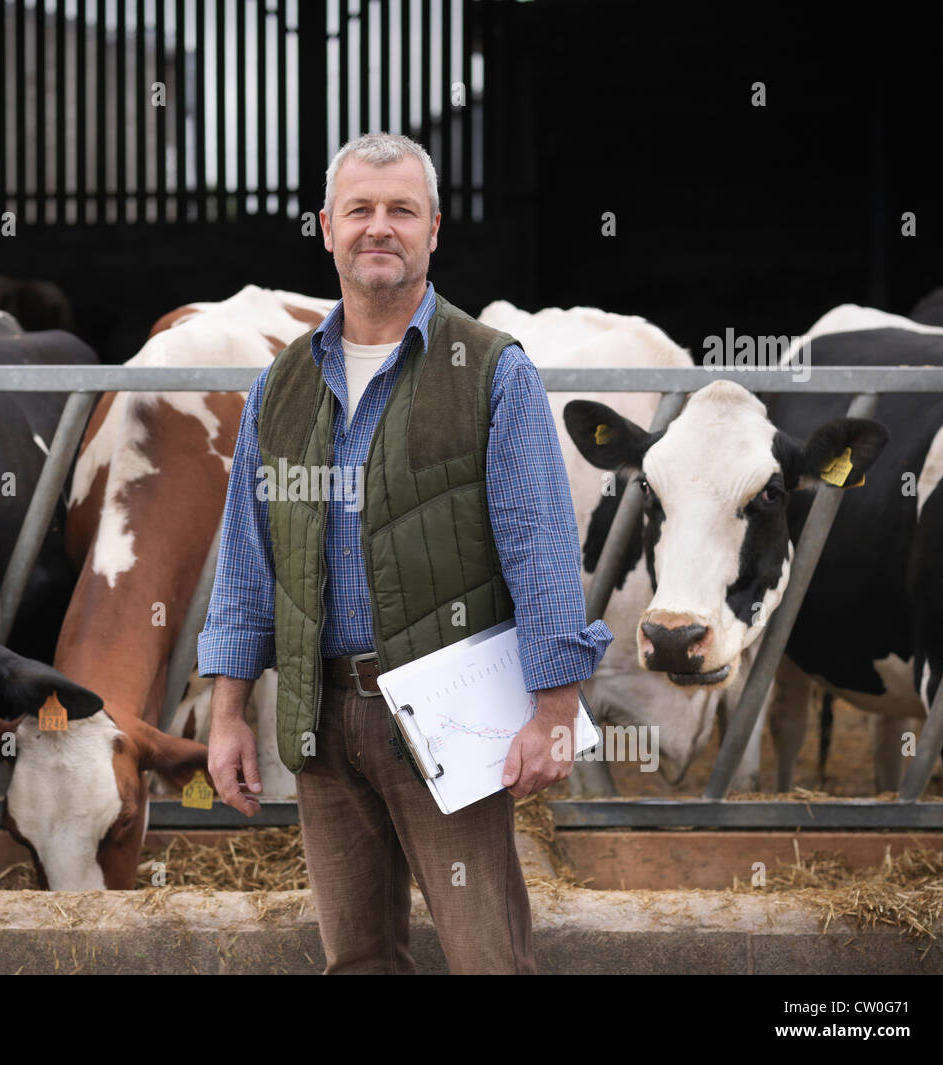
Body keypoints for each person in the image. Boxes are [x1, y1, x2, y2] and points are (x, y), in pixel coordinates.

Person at [197, 132, 613, 974]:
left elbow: (539, 543)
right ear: (326, 227)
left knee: (487, 956)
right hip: (321, 713)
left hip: (450, 713)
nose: (377, 227)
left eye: (400, 211)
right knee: (355, 960)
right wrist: (228, 711)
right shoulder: (280, 386)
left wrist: (556, 706)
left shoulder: (491, 371)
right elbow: (249, 561)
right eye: (360, 210)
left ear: (433, 231)